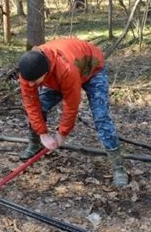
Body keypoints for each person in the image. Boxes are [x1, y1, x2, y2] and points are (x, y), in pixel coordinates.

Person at [17, 38, 128, 187]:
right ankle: (34, 144)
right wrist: (42, 133)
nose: (30, 85)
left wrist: (62, 134)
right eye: (28, 81)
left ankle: (118, 168)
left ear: (46, 72)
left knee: (101, 118)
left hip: (92, 69)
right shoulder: (28, 71)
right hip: (60, 76)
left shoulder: (66, 69)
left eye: (35, 81)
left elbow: (71, 104)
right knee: (40, 106)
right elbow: (31, 104)